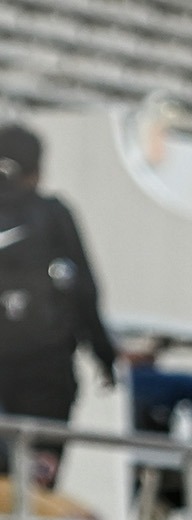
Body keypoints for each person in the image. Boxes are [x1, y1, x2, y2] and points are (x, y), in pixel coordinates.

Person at [0, 122, 119, 488]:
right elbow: (84, 291)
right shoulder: (53, 214)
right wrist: (105, 356)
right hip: (46, 377)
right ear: (37, 169)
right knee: (35, 493)